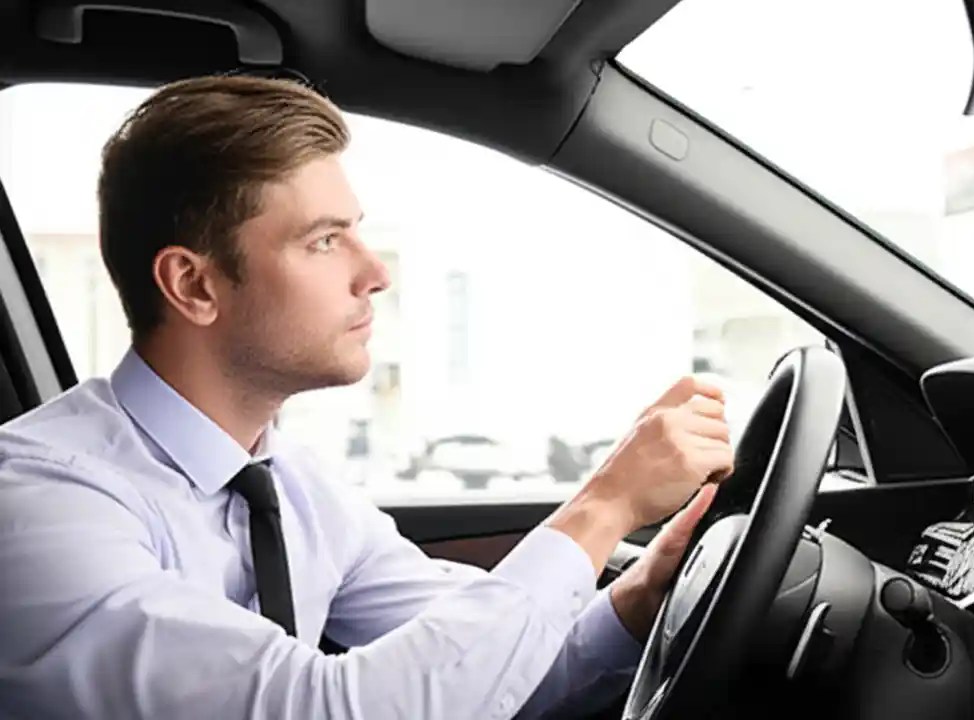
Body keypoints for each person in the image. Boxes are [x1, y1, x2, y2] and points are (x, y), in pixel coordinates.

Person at [0, 76, 735, 719]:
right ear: (194, 285)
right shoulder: (40, 502)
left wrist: (639, 600)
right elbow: (327, 709)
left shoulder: (294, 489)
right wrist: (604, 506)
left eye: (355, 232)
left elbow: (480, 681)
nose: (374, 272)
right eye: (324, 242)